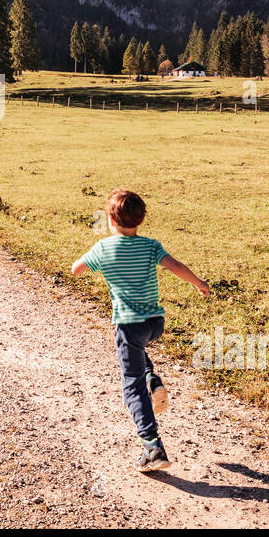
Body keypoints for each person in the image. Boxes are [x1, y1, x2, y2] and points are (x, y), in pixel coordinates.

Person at [71, 189, 209, 472]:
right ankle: (152, 380)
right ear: (141, 219)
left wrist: (95, 261)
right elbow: (174, 266)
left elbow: (77, 269)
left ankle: (152, 447)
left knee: (131, 384)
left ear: (111, 219)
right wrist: (198, 283)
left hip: (128, 326)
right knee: (139, 360)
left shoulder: (104, 248)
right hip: (154, 324)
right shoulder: (150, 246)